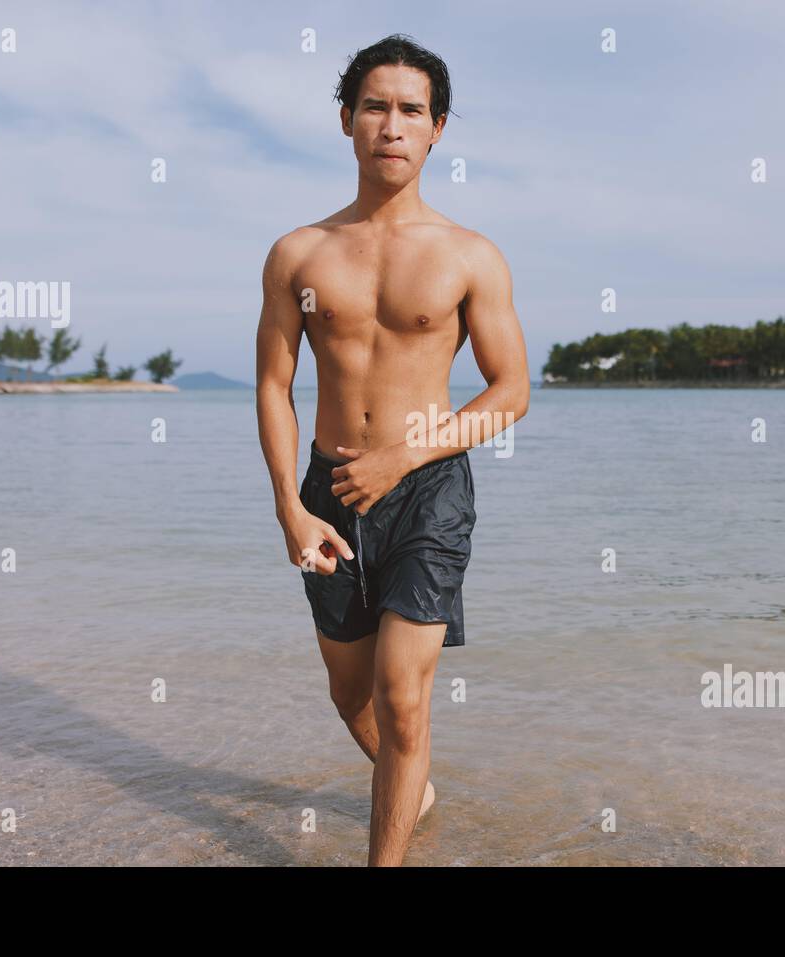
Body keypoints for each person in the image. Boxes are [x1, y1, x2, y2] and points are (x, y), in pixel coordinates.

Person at [254, 34, 530, 866]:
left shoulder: (469, 255)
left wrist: (404, 459)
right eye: (375, 106)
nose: (392, 126)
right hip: (329, 493)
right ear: (347, 120)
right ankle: (417, 790)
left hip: (429, 490)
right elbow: (273, 385)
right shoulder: (298, 253)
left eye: (412, 110)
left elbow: (510, 390)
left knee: (401, 697)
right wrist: (290, 508)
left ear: (439, 128)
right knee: (352, 695)